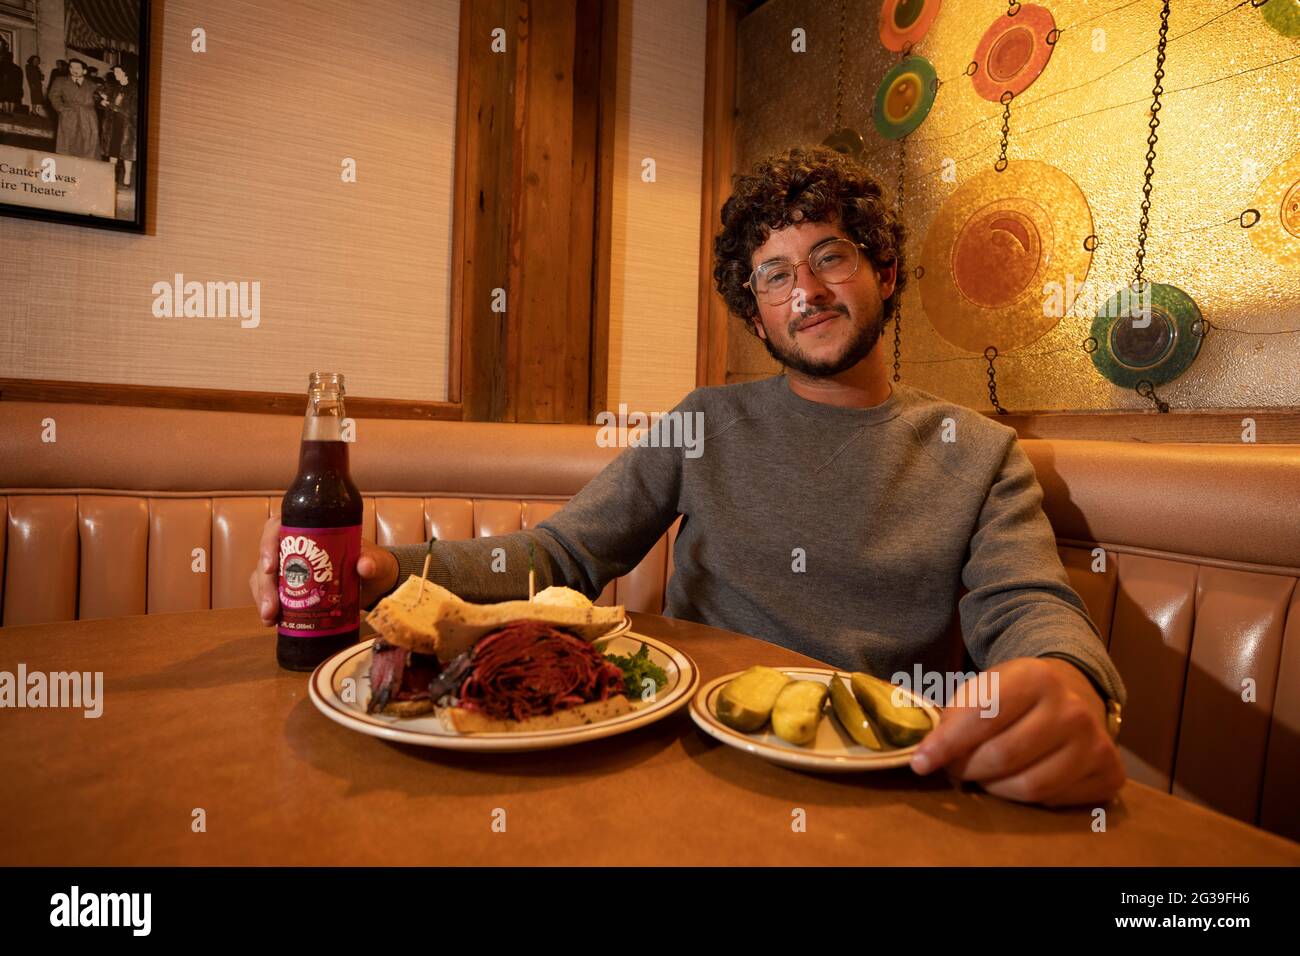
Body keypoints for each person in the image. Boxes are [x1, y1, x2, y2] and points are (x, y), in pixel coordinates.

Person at [250, 145, 1128, 808]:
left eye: (830, 257)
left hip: (873, 775)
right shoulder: (705, 421)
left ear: (883, 273)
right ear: (755, 310)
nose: (805, 293)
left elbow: (1025, 603)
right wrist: (389, 568)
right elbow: (561, 556)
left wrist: (1070, 679)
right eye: (774, 276)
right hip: (685, 755)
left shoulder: (975, 450)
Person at [47, 59, 99, 158]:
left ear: (84, 71)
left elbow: (98, 100)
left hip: (88, 117)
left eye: (78, 68)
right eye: (72, 67)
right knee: (67, 146)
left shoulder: (92, 85)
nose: (74, 70)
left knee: (88, 146)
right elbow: (53, 96)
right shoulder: (60, 81)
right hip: (69, 115)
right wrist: (62, 109)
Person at [99, 65, 136, 185]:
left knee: (127, 152)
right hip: (113, 123)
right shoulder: (114, 88)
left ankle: (127, 176)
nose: (115, 73)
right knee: (112, 149)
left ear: (126, 73)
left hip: (127, 125)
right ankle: (111, 175)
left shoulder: (134, 89)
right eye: (114, 71)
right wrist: (102, 102)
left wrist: (111, 105)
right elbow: (103, 98)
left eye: (117, 71)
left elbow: (130, 111)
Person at [0, 49, 22, 115]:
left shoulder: (2, 66)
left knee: (5, 99)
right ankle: (11, 112)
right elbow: (20, 79)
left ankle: (6, 112)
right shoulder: (17, 68)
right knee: (12, 99)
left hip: (4, 86)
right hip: (14, 87)